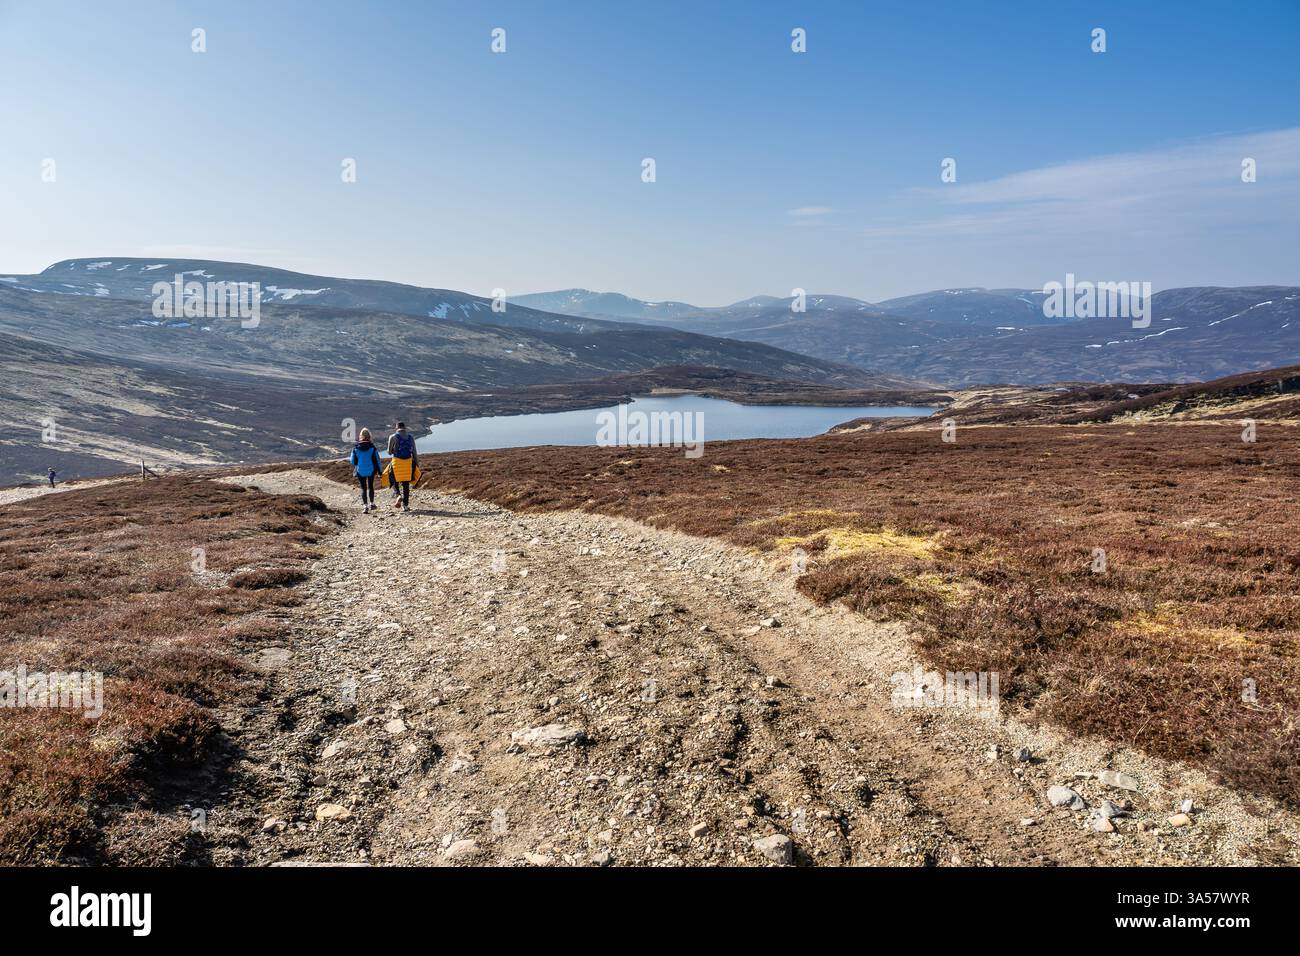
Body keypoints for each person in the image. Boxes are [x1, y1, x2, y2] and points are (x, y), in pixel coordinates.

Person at [387, 420, 419, 512]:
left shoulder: (393, 437)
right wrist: (417, 464)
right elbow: (414, 452)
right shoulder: (410, 437)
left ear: (397, 428)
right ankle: (405, 506)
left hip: (397, 462)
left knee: (393, 480)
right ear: (405, 428)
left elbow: (389, 452)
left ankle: (398, 495)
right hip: (408, 463)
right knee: (406, 485)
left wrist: (394, 450)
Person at [348, 428, 382, 512]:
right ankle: (372, 504)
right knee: (371, 486)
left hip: (360, 470)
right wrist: (380, 471)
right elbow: (377, 460)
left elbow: (352, 461)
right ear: (369, 436)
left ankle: (365, 506)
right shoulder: (372, 448)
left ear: (361, 436)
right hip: (371, 470)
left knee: (363, 488)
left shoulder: (355, 448)